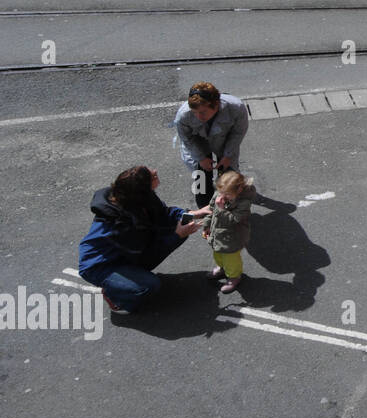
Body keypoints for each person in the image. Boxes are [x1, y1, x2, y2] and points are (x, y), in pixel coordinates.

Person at [77, 166, 208, 314]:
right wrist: (177, 235)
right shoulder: (119, 226)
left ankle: (131, 276)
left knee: (181, 227)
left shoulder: (137, 197)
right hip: (99, 266)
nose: (155, 171)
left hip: (124, 254)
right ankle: (115, 295)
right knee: (148, 285)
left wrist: (195, 213)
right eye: (151, 176)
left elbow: (164, 213)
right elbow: (147, 253)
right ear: (142, 191)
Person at [174, 82, 249, 208]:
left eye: (203, 112)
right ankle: (204, 209)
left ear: (216, 105)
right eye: (194, 112)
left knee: (227, 174)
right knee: (200, 178)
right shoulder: (183, 115)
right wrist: (201, 158)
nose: (198, 116)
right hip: (197, 144)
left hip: (224, 141)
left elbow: (238, 133)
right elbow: (187, 139)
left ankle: (229, 204)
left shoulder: (236, 108)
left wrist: (227, 155)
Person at [201, 170, 256, 294]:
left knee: (231, 259)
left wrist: (220, 210)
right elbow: (211, 210)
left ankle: (234, 277)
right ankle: (221, 268)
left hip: (233, 237)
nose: (223, 196)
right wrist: (207, 225)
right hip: (218, 234)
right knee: (218, 253)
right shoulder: (219, 195)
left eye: (228, 194)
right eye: (221, 192)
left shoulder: (244, 203)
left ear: (239, 190)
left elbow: (234, 220)